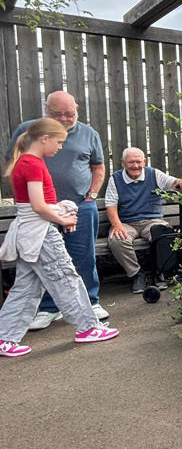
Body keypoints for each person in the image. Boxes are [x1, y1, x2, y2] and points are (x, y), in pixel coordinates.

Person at [0, 118, 119, 358]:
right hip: (41, 232)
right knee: (66, 277)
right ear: (44, 138)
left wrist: (59, 212)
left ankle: (5, 338)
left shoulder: (25, 161)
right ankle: (88, 327)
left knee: (26, 287)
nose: (60, 147)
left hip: (32, 231)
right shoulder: (32, 164)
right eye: (59, 141)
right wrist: (63, 219)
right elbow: (38, 206)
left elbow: (36, 205)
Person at [5, 91, 108, 329]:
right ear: (46, 110)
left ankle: (91, 301)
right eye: (56, 114)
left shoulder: (89, 133)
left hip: (79, 205)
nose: (63, 118)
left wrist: (91, 196)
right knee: (48, 263)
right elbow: (14, 164)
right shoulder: (28, 130)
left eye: (69, 114)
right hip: (41, 211)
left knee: (83, 256)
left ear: (77, 109)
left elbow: (98, 166)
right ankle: (50, 308)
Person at [105, 147, 182, 294]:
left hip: (153, 220)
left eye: (138, 162)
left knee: (163, 234)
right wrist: (117, 225)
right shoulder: (115, 179)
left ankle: (160, 272)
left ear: (144, 161)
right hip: (127, 222)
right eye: (131, 162)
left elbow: (174, 183)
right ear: (123, 163)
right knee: (117, 240)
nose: (135, 166)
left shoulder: (154, 174)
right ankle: (136, 274)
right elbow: (111, 204)